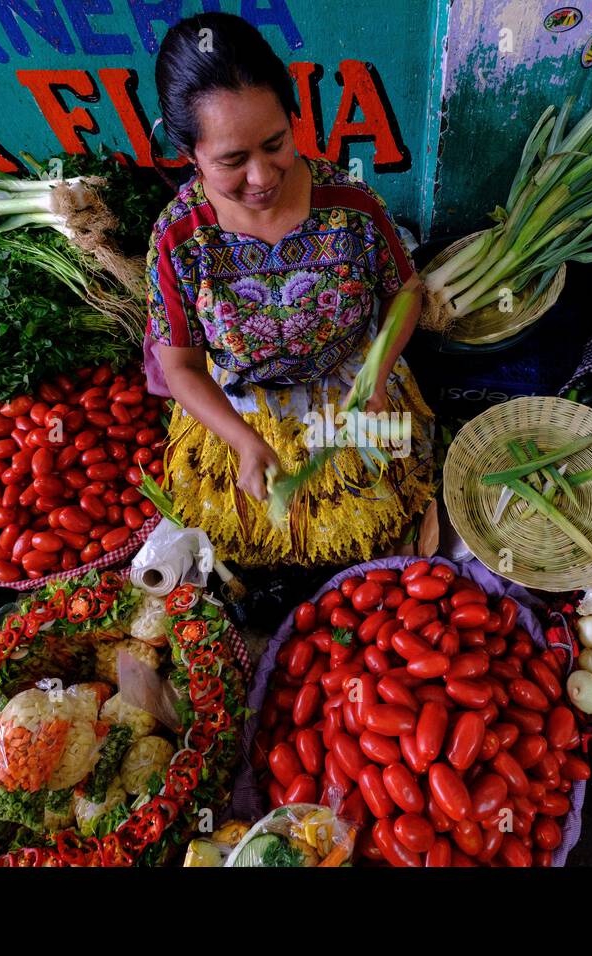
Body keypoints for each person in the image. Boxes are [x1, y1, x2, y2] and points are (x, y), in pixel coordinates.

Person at [145, 12, 435, 566]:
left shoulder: (349, 203)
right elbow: (179, 367)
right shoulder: (179, 240)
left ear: (292, 116)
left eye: (275, 143)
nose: (262, 177)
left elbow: (405, 292)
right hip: (240, 410)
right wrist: (242, 441)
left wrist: (376, 369)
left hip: (352, 391)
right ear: (188, 153)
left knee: (372, 529)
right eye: (232, 161)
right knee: (254, 539)